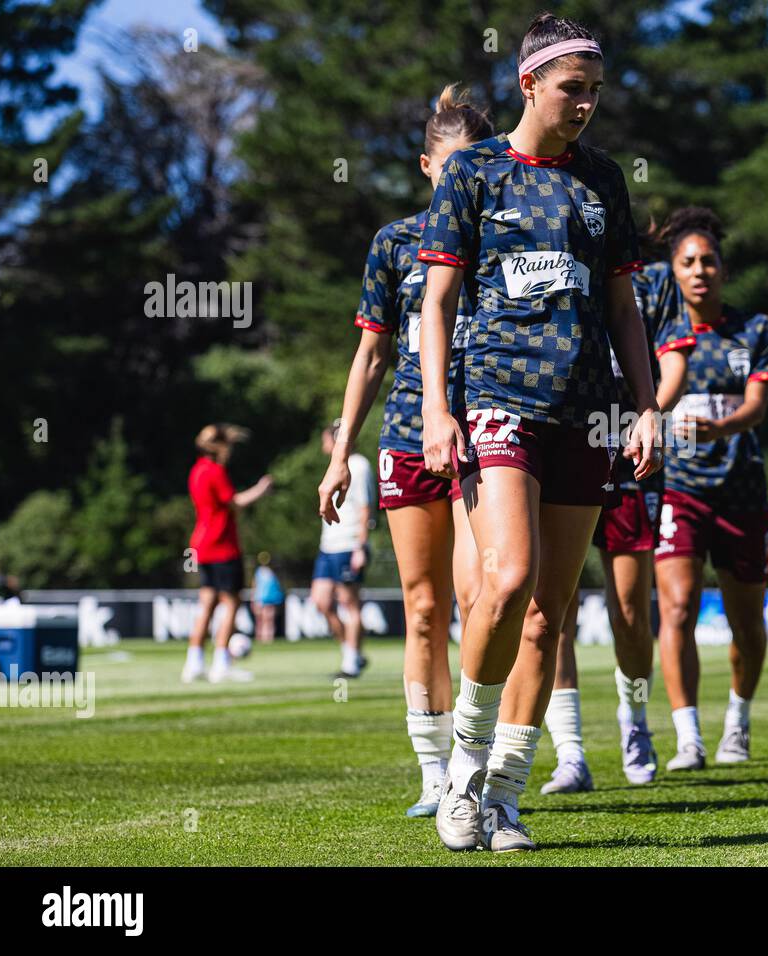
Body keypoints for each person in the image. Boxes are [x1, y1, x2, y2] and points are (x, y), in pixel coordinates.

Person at [417, 11, 662, 853]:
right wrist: (435, 408)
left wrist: (647, 402)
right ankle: (462, 771)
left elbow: (624, 307)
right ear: (529, 84)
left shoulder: (602, 180)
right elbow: (438, 303)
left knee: (547, 617)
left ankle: (505, 798)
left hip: (584, 412)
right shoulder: (474, 174)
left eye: (595, 90)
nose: (586, 103)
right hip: (496, 401)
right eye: (572, 88)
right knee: (506, 577)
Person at [318, 84, 493, 818]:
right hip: (407, 439)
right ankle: (431, 770)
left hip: (485, 436)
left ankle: (475, 765)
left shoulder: (507, 236)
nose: (460, 180)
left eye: (473, 167)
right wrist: (338, 455)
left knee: (477, 598)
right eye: (449, 167)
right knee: (422, 610)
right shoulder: (394, 245)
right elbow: (369, 357)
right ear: (427, 165)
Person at [538, 237, 695, 793]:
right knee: (554, 608)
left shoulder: (651, 284)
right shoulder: (549, 263)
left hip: (628, 458)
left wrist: (648, 412)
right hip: (560, 448)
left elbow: (674, 361)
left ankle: (635, 724)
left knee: (629, 609)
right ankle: (571, 752)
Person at [653, 208, 768, 770]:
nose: (700, 270)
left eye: (708, 261)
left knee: (745, 620)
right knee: (677, 607)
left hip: (742, 489)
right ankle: (688, 739)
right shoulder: (660, 331)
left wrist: (721, 427)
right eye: (688, 262)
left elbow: (757, 406)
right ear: (674, 272)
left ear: (723, 269)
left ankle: (737, 724)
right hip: (680, 489)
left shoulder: (755, 330)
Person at [184, 424, 272, 684]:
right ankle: (221, 663)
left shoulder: (196, 470)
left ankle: (193, 662)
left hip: (200, 545)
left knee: (207, 604)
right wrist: (261, 489)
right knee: (231, 603)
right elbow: (234, 502)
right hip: (222, 545)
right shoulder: (214, 471)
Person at [314, 426, 375, 678]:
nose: (323, 446)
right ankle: (353, 652)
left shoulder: (358, 465)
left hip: (349, 543)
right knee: (322, 601)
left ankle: (350, 661)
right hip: (328, 545)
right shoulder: (334, 466)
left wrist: (361, 546)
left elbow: (365, 507)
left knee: (350, 604)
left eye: (325, 440)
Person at [250, 552, 284, 644]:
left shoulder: (271, 573)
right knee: (261, 621)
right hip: (260, 599)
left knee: (268, 620)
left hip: (269, 600)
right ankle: (260, 638)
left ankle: (268, 639)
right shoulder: (261, 572)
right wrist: (253, 599)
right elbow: (255, 586)